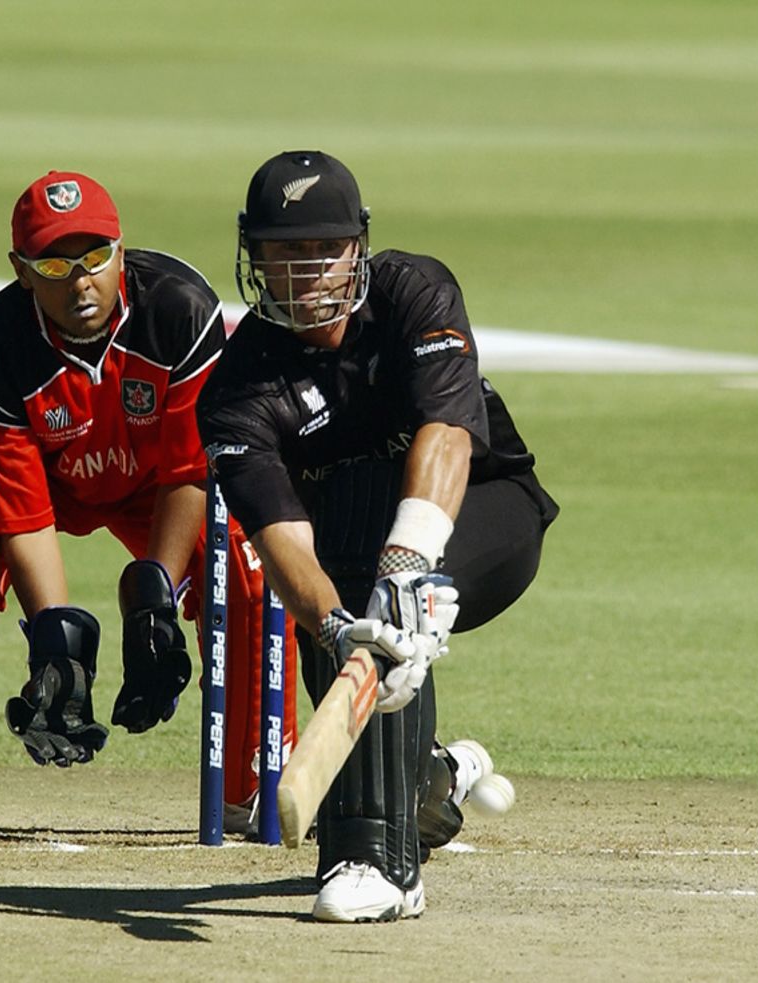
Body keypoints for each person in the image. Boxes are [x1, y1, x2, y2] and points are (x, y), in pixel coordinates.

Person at [0, 170, 296, 834]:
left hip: (157, 482)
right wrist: (55, 640)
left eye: (94, 257)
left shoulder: (179, 310)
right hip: (49, 476)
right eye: (54, 263)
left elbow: (189, 471)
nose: (79, 279)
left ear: (121, 251)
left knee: (248, 556)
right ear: (21, 271)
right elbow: (22, 514)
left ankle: (255, 782)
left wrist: (155, 598)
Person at [197, 151, 559, 922]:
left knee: (379, 566)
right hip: (341, 567)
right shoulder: (236, 390)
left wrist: (407, 567)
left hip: (485, 513)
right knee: (352, 602)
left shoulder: (412, 292)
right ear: (252, 255)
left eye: (322, 251)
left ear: (359, 246)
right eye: (282, 252)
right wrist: (338, 629)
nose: (305, 273)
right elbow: (285, 543)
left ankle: (380, 863)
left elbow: (449, 438)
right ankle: (422, 784)